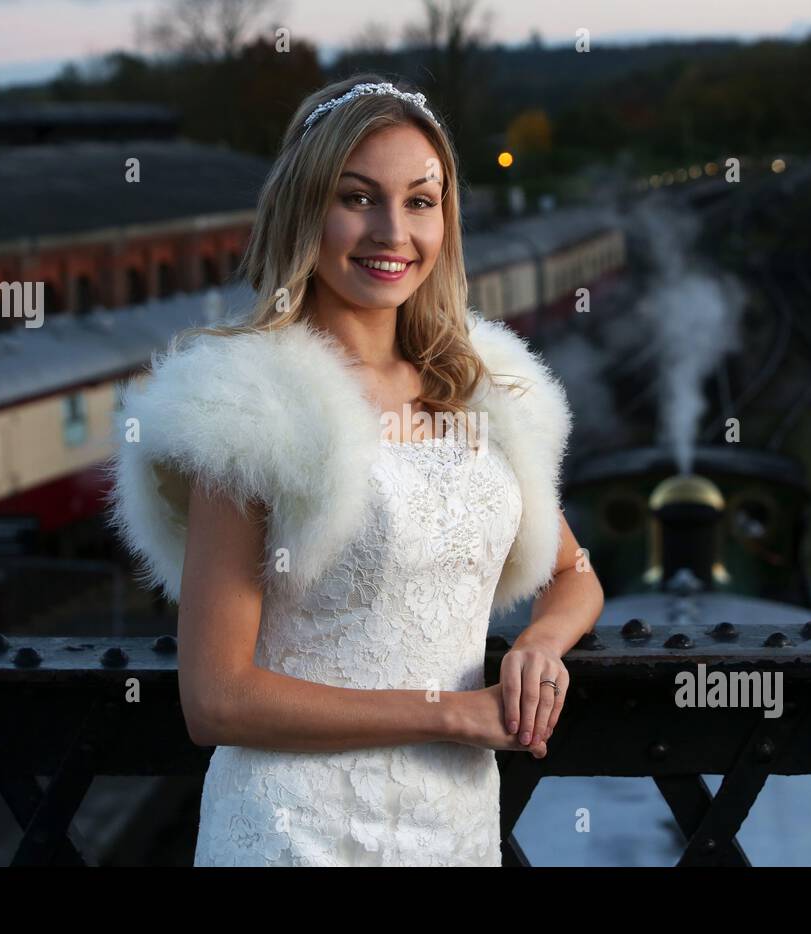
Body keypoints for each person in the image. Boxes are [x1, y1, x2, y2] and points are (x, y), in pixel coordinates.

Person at [107, 74, 604, 866]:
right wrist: (450, 714)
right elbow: (216, 700)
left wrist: (540, 645)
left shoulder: (480, 388)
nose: (392, 232)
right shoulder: (249, 403)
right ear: (306, 208)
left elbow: (574, 571)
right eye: (358, 197)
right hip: (291, 832)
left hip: (454, 827)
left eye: (420, 200)